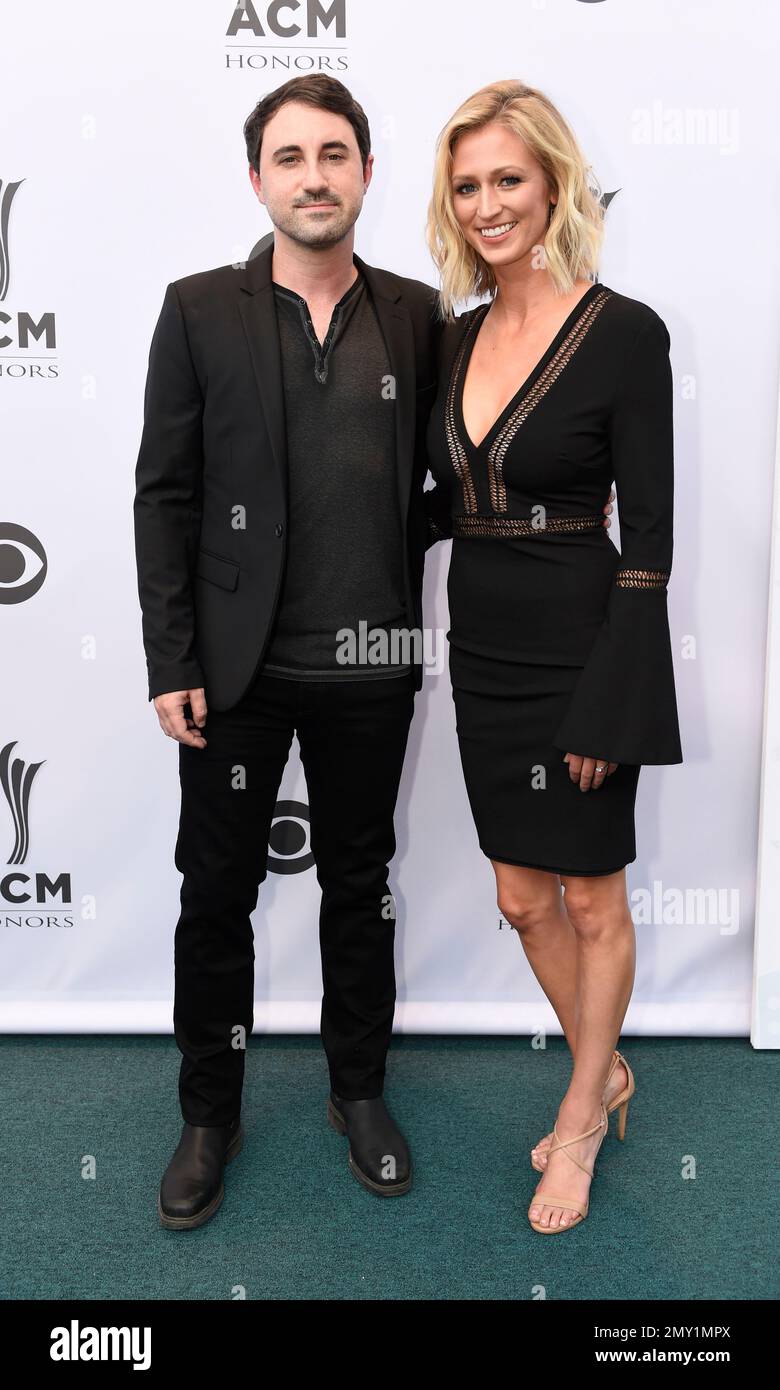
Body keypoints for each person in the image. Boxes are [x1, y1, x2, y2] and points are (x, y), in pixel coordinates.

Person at [423, 79, 683, 1234]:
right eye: (468, 184)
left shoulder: (626, 332)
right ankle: (609, 1065)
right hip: (481, 642)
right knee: (523, 897)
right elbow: (446, 501)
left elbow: (652, 541)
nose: (488, 205)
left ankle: (581, 1112)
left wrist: (613, 705)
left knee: (593, 900)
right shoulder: (453, 337)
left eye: (508, 181)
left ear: (556, 185)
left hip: (583, 641)